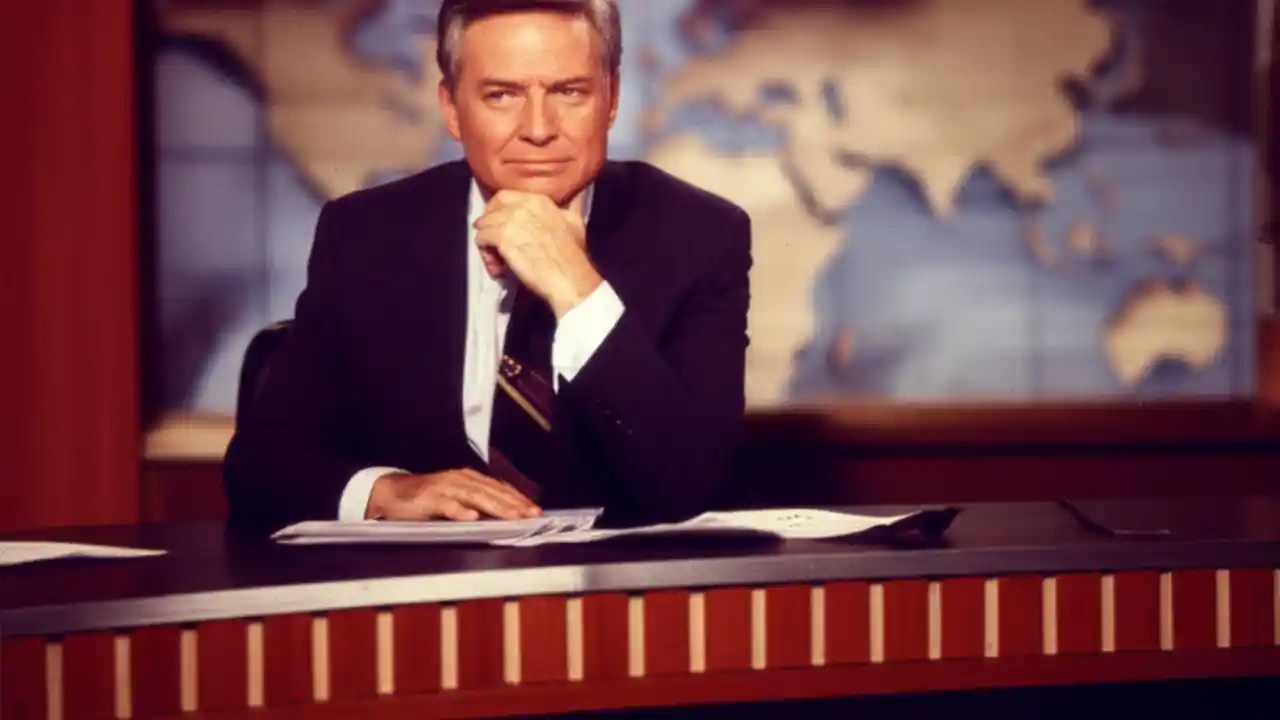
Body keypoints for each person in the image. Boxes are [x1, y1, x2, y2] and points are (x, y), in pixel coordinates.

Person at [223, 0, 752, 530]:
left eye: (569, 92)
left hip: (613, 602)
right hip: (421, 599)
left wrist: (576, 287)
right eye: (502, 95)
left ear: (611, 99)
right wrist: (387, 491)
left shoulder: (701, 235)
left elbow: (690, 482)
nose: (539, 129)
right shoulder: (365, 235)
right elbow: (260, 469)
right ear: (451, 107)